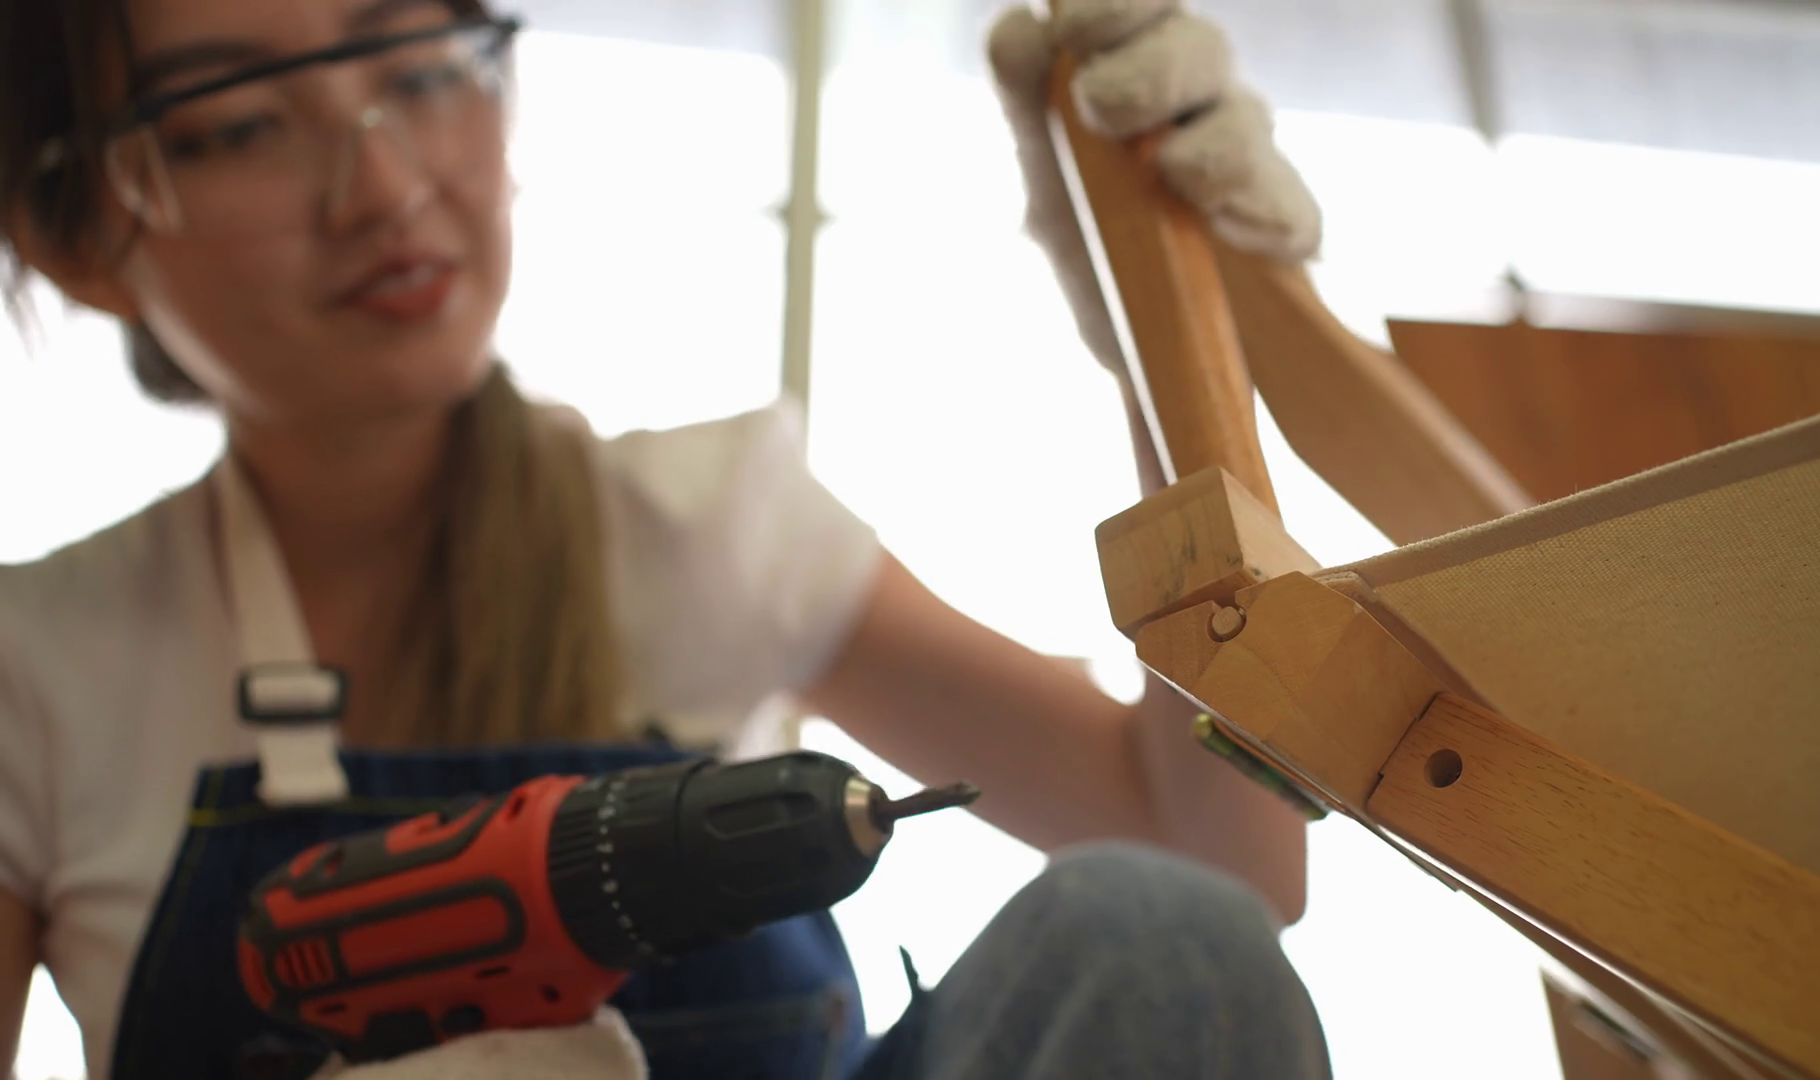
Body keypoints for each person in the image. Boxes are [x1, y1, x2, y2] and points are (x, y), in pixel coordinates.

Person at [0, 0, 1331, 1076]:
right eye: (238, 124)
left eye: (418, 67)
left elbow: (1223, 864)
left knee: (1154, 937)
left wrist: (1163, 349)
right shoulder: (39, 672)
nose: (386, 186)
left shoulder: (702, 534)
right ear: (70, 236)